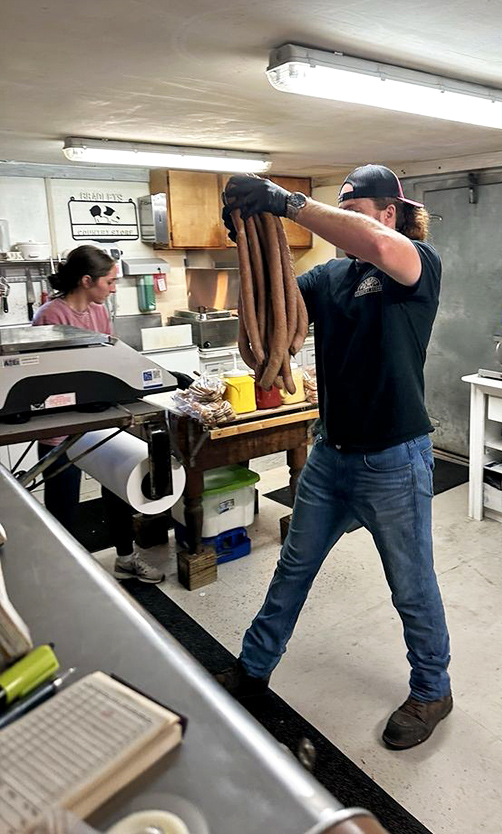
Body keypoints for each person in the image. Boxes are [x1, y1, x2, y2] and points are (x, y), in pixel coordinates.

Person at [219, 165, 451, 750]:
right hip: (331, 454)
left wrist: (288, 202)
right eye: (339, 210)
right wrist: (247, 235)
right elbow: (273, 313)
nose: (344, 222)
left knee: (411, 585)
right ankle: (252, 669)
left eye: (355, 210)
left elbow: (378, 246)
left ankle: (432, 690)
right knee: (292, 568)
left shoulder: (415, 264)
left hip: (395, 460)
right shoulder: (330, 277)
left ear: (389, 212)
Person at [31, 245, 164, 584]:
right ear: (87, 281)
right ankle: (65, 576)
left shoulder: (99, 312)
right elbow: (43, 378)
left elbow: (111, 359)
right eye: (110, 281)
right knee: (63, 505)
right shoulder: (50, 316)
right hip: (60, 428)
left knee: (117, 489)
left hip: (98, 422)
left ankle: (126, 559)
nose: (114, 288)